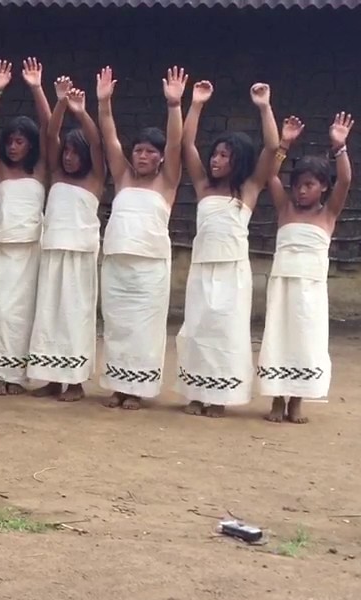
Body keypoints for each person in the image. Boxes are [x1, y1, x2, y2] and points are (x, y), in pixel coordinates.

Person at [176, 81, 281, 417]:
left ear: (239, 162)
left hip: (232, 272)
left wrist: (264, 106)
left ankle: (219, 397)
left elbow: (272, 147)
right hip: (201, 269)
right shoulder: (203, 186)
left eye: (225, 156)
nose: (215, 160)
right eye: (215, 154)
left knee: (225, 332)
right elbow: (186, 144)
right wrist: (196, 104)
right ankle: (196, 394)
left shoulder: (249, 188)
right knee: (197, 330)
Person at [95, 66, 187, 409]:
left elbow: (176, 143)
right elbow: (110, 138)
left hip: (150, 269)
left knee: (144, 329)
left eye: (150, 151)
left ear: (160, 157)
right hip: (117, 265)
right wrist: (104, 103)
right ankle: (118, 386)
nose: (143, 156)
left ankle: (137, 389)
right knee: (117, 326)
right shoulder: (122, 175)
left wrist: (174, 105)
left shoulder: (168, 180)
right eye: (138, 151)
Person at [259, 113, 353, 424]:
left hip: (311, 290)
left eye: (309, 185)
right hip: (282, 286)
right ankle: (277, 399)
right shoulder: (285, 208)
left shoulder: (328, 213)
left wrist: (339, 147)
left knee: (305, 341)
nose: (301, 191)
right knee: (279, 337)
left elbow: (345, 181)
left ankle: (297, 400)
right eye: (298, 185)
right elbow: (271, 177)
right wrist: (284, 144)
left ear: (323, 187)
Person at [0, 58, 52, 395]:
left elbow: (50, 129)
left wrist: (37, 88)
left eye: (21, 142)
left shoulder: (42, 169)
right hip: (1, 250)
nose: (14, 147)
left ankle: (16, 375)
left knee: (21, 314)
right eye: (11, 141)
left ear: (31, 144)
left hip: (30, 250)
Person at [26, 80, 106, 403]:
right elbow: (50, 134)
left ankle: (74, 383)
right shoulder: (56, 175)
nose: (70, 157)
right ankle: (50, 378)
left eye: (76, 153)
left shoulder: (95, 178)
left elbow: (98, 143)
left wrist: (82, 113)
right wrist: (59, 103)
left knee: (75, 316)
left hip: (79, 255)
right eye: (67, 152)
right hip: (52, 253)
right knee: (48, 315)